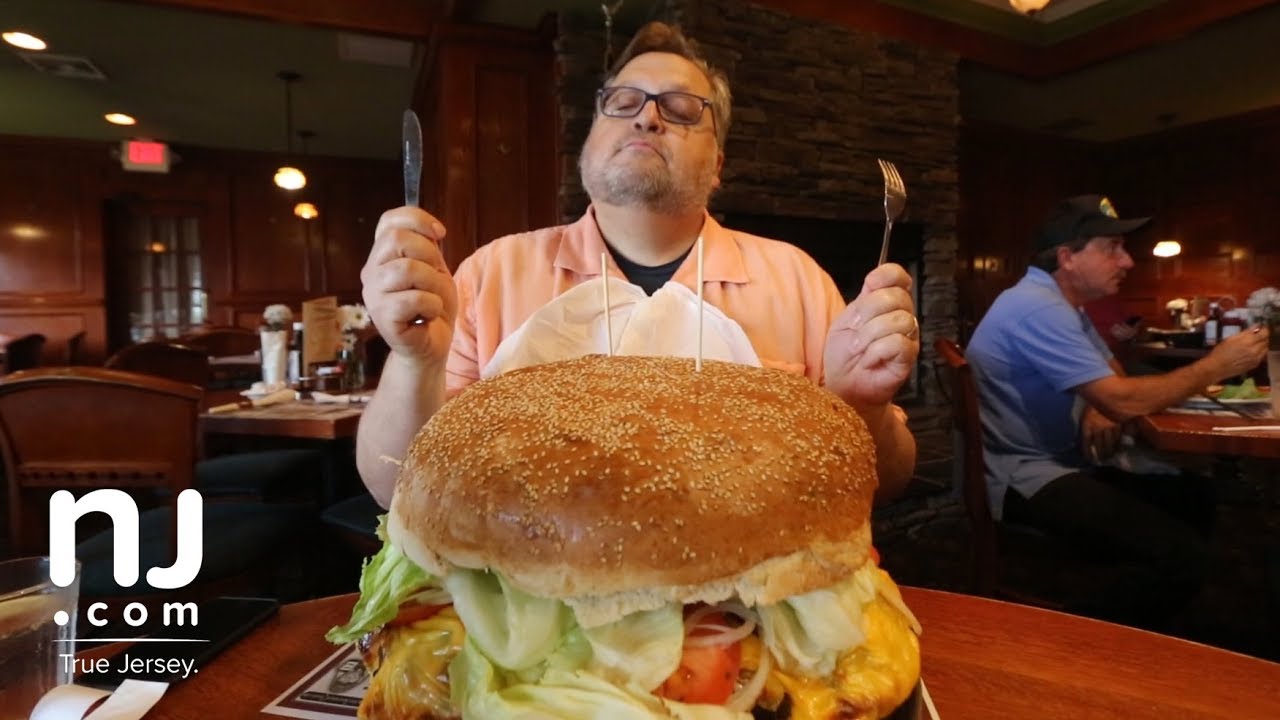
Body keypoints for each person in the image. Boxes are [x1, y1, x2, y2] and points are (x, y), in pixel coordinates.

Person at [356, 22, 919, 509]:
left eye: (681, 110)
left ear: (717, 164)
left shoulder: (798, 282)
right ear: (589, 143)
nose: (647, 118)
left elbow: (885, 484)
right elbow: (398, 487)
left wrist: (863, 408)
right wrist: (413, 363)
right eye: (623, 103)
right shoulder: (489, 275)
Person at [966, 194, 1269, 626]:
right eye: (1113, 249)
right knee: (1182, 557)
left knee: (1193, 495)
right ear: (1068, 257)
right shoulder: (1037, 306)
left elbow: (1111, 369)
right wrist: (1217, 365)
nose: (1127, 262)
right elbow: (1122, 395)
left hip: (1057, 461)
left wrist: (1100, 405)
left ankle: (1153, 613)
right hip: (1023, 477)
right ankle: (1081, 638)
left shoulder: (1062, 302)